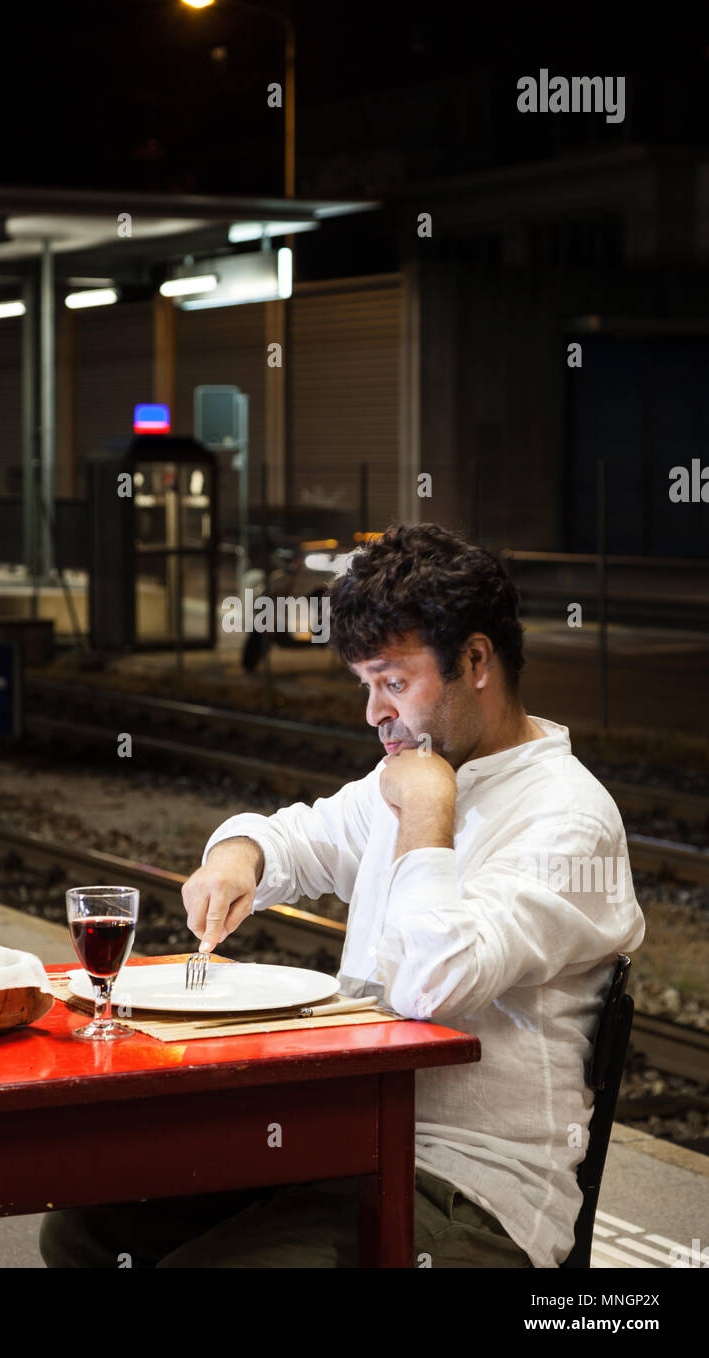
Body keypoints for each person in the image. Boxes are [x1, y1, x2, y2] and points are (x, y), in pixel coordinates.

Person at [40, 522, 645, 1268]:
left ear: (477, 659)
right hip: (345, 1136)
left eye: (394, 682)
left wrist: (428, 815)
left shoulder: (566, 818)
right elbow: (298, 837)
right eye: (366, 685)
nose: (374, 713)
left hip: (468, 1188)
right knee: (88, 1228)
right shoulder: (425, 767)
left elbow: (435, 984)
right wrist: (239, 857)